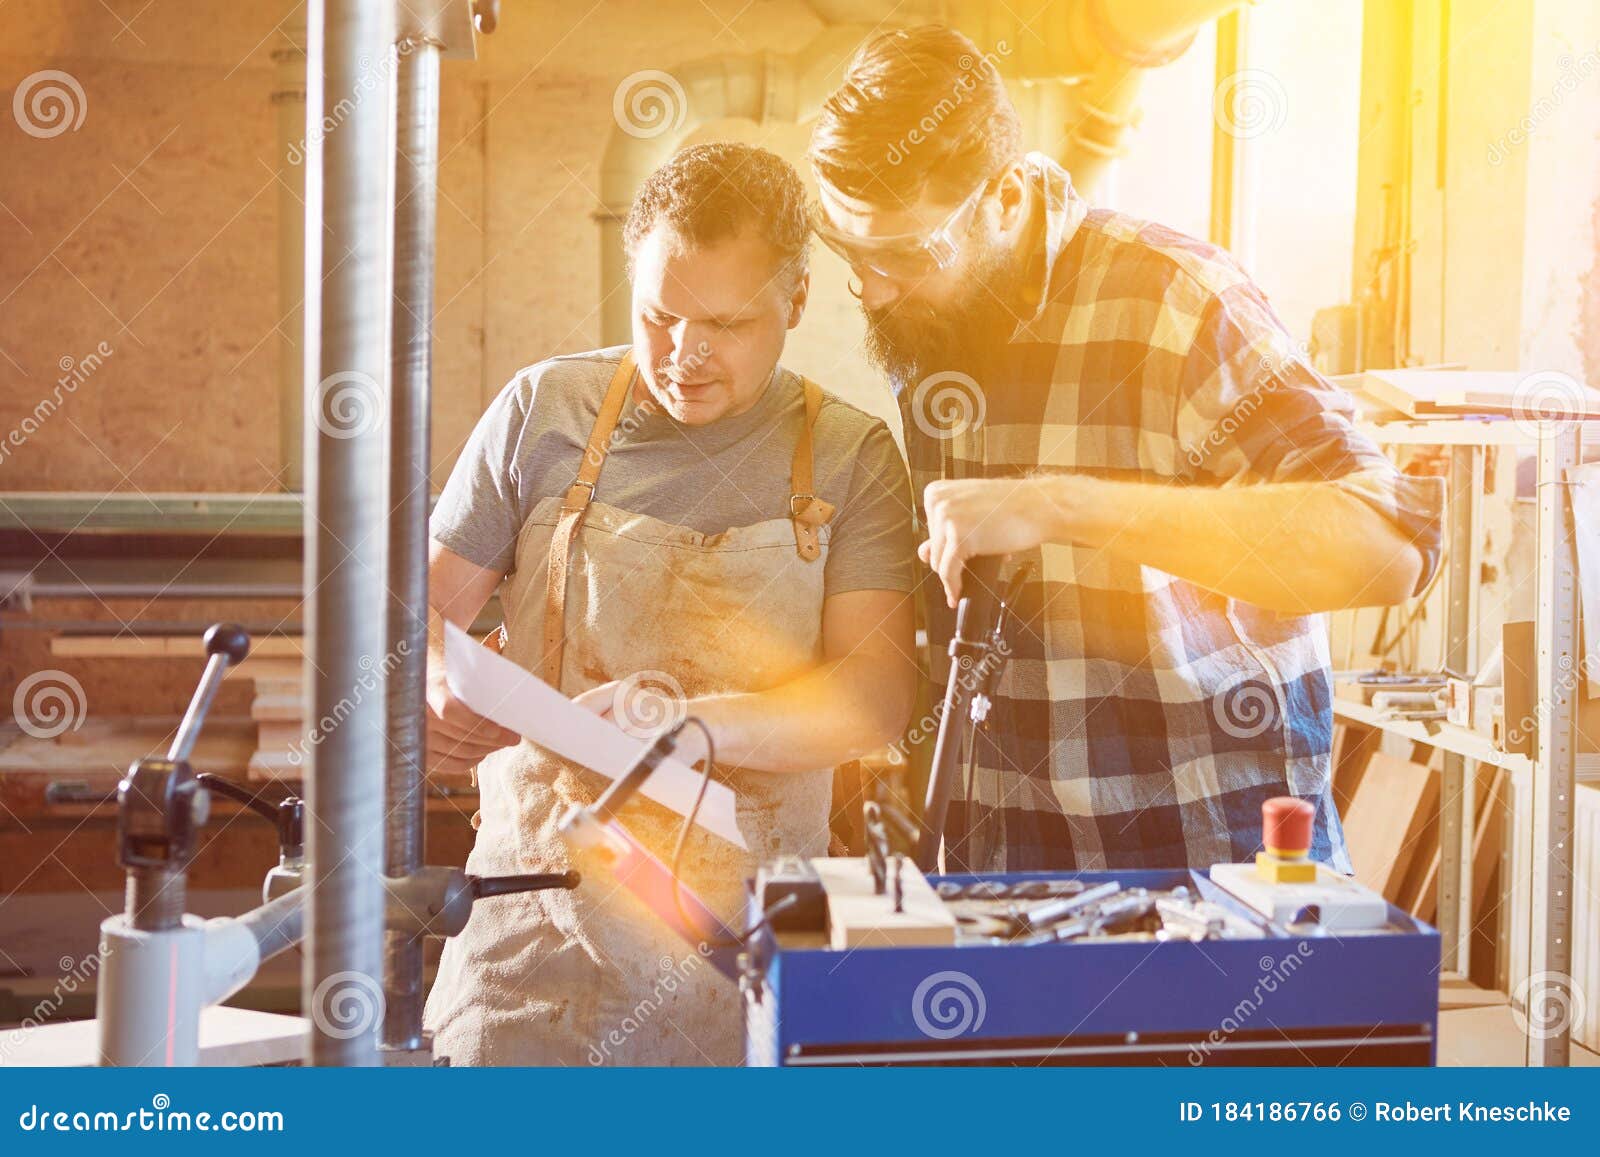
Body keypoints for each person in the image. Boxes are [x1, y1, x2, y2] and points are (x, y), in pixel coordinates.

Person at [806, 26, 1444, 873]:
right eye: (850, 251)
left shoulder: (1179, 301)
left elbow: (1385, 551)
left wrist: (1058, 503)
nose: (873, 290)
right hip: (1008, 877)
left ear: (1003, 199)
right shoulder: (933, 321)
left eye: (903, 255)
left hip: (1209, 879)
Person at [421, 142, 916, 1065]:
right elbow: (420, 620)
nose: (684, 355)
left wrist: (688, 731)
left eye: (724, 324)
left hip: (739, 943)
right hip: (531, 925)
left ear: (797, 301)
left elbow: (875, 698)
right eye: (659, 316)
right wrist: (442, 675)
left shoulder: (853, 457)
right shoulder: (545, 409)